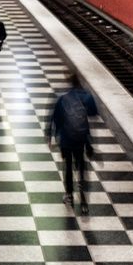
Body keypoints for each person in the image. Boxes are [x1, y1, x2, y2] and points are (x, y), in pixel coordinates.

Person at [48, 74, 98, 214]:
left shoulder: (64, 99)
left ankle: (69, 195)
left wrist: (52, 135)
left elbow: (54, 119)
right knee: (81, 167)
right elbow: (93, 113)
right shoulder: (87, 96)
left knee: (68, 167)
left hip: (66, 139)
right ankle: (83, 200)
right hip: (81, 140)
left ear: (69, 83)